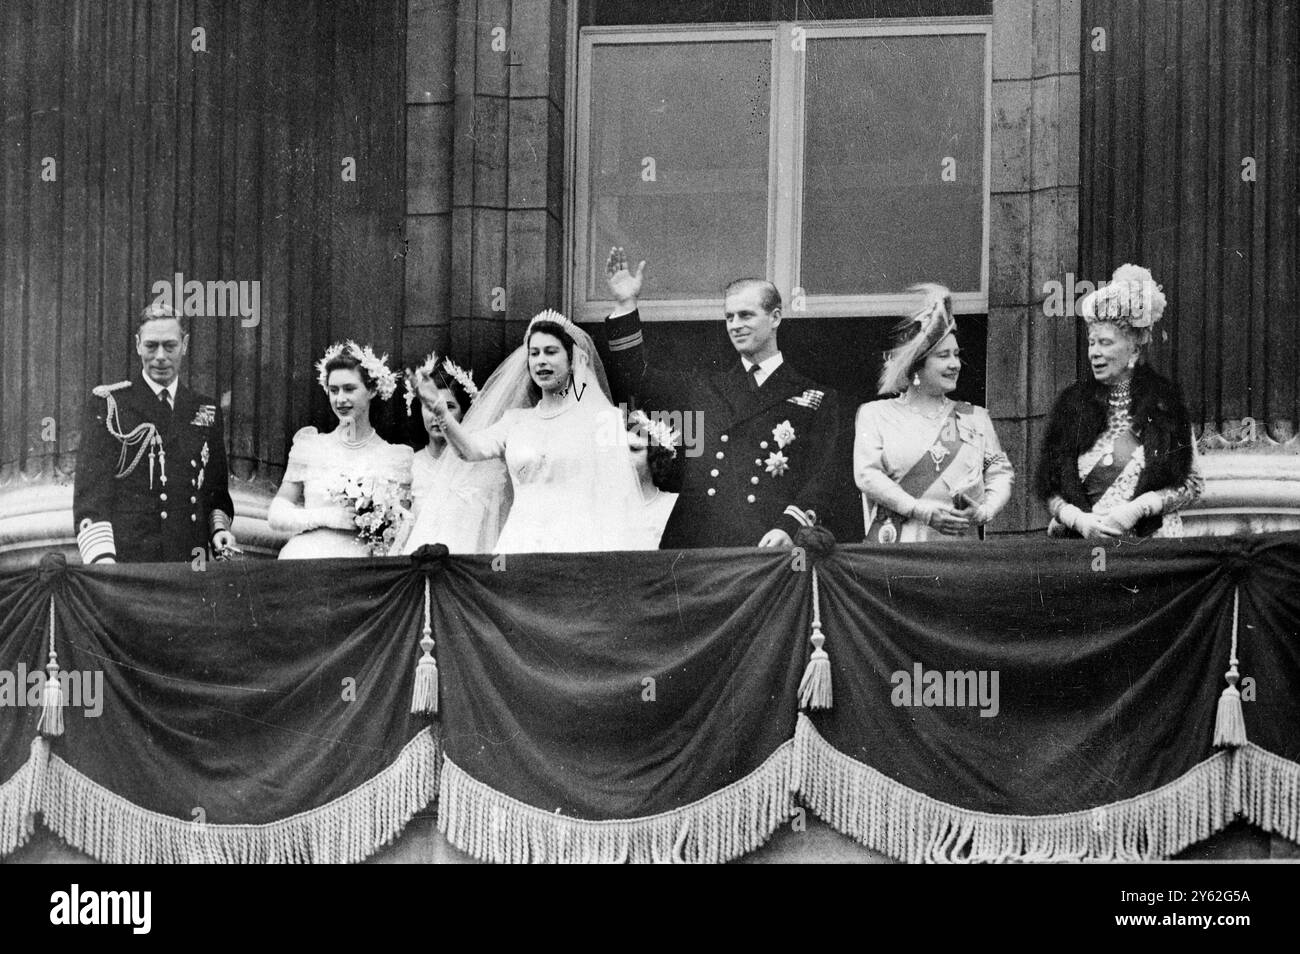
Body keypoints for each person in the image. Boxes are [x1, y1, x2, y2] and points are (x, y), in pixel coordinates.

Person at [602, 248, 840, 549]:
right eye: (729, 317)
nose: (735, 324)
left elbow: (822, 476)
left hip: (767, 542)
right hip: (699, 542)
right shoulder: (704, 386)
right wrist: (625, 304)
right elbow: (637, 377)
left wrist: (789, 526)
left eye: (746, 315)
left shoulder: (813, 396)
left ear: (775, 316)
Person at [420, 309, 643, 554]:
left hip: (579, 545)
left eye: (551, 351)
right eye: (534, 353)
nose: (541, 361)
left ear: (573, 359)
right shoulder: (515, 421)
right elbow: (469, 450)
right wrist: (442, 414)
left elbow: (617, 498)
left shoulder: (601, 419)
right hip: (520, 544)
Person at [1036, 264, 1202, 539]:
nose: (1095, 353)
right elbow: (1049, 488)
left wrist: (1140, 508)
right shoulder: (1072, 406)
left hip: (1147, 549)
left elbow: (1192, 484)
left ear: (1134, 349)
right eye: (1092, 343)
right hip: (1081, 547)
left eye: (1106, 343)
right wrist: (1076, 518)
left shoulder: (1165, 407)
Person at [73, 303, 236, 564]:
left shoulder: (205, 410)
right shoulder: (109, 405)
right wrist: (104, 564)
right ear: (138, 345)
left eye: (170, 346)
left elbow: (216, 490)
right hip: (131, 565)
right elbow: (91, 497)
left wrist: (219, 529)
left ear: (185, 344)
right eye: (151, 346)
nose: (160, 356)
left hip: (191, 560)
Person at [854, 285, 1013, 543]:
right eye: (944, 356)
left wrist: (984, 511)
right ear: (916, 366)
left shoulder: (975, 418)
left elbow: (1000, 474)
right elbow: (867, 475)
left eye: (957, 355)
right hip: (898, 549)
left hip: (958, 556)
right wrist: (920, 510)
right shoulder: (875, 414)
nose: (955, 364)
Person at [268, 341, 413, 559]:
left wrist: (374, 519)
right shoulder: (310, 447)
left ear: (372, 389)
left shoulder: (395, 457)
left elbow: (399, 530)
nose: (340, 399)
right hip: (306, 559)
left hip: (361, 567)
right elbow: (276, 515)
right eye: (333, 390)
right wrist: (326, 516)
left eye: (349, 389)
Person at [625, 410, 679, 549]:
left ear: (653, 457)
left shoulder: (674, 504)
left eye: (635, 449)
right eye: (620, 451)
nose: (625, 458)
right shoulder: (605, 508)